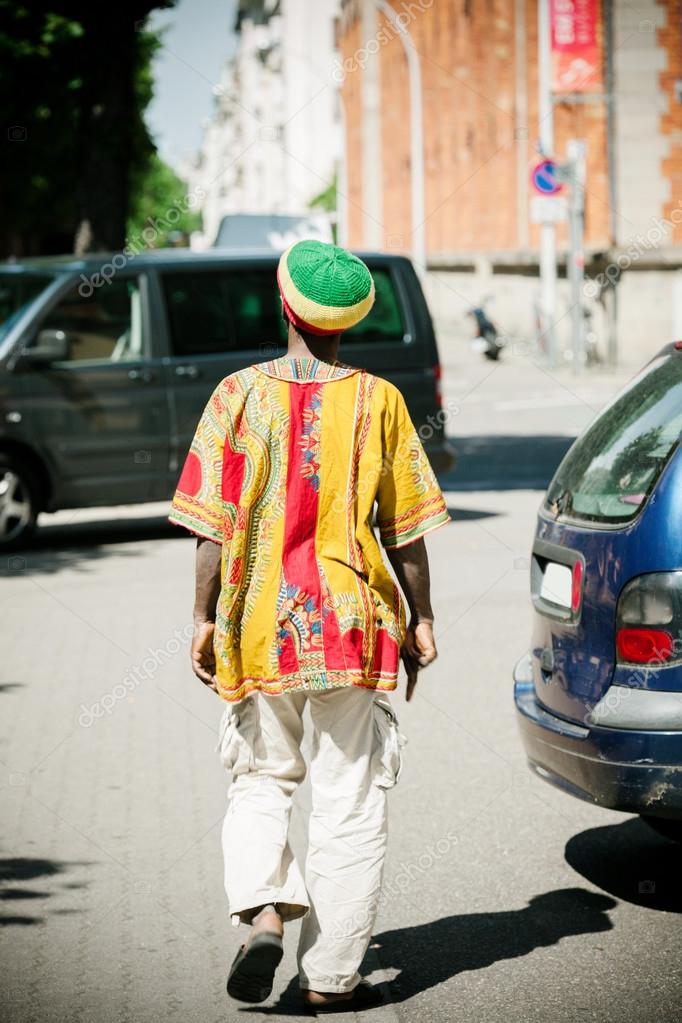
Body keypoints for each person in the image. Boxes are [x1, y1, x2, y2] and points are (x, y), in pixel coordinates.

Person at [169, 239, 449, 1012]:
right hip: (352, 627)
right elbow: (407, 531)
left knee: (260, 780)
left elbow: (211, 528)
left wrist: (201, 616)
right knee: (349, 798)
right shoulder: (380, 401)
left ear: (286, 305)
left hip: (259, 627)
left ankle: (264, 910)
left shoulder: (236, 395)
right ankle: (330, 977)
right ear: (350, 320)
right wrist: (421, 617)